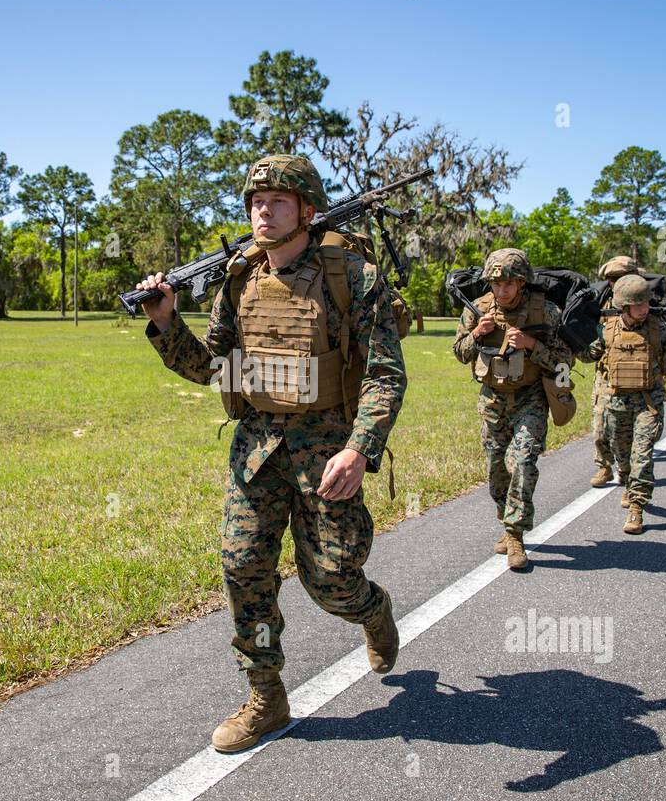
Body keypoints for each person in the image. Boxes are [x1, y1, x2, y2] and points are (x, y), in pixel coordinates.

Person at [136, 154, 407, 754]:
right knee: (242, 567)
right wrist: (165, 323)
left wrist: (360, 451)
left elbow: (385, 375)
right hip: (257, 450)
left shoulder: (352, 276)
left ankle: (372, 609)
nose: (263, 210)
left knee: (331, 580)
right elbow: (211, 367)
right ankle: (266, 695)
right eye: (256, 201)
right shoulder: (240, 279)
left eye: (278, 201)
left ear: (308, 211)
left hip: (328, 451)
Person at [453, 248, 572, 570]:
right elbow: (460, 353)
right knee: (496, 467)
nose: (501, 291)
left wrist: (533, 346)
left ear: (521, 283)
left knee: (522, 460)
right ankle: (505, 518)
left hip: (530, 398)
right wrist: (476, 335)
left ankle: (515, 533)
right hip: (492, 399)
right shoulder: (476, 311)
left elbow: (565, 362)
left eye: (508, 284)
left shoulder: (545, 312)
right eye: (495, 284)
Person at [579, 275, 666, 533]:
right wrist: (572, 331)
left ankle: (636, 508)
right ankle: (626, 479)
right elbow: (588, 355)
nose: (644, 309)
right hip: (616, 404)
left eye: (646, 303)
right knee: (623, 456)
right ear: (624, 305)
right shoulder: (608, 329)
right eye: (638, 304)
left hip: (648, 404)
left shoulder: (659, 329)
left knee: (642, 456)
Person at [589, 256, 642, 488]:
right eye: (611, 279)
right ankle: (604, 466)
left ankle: (626, 469)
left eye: (619, 278)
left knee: (627, 431)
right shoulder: (602, 305)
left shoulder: (644, 306)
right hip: (606, 374)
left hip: (637, 376)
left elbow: (658, 339)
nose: (614, 283)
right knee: (600, 428)